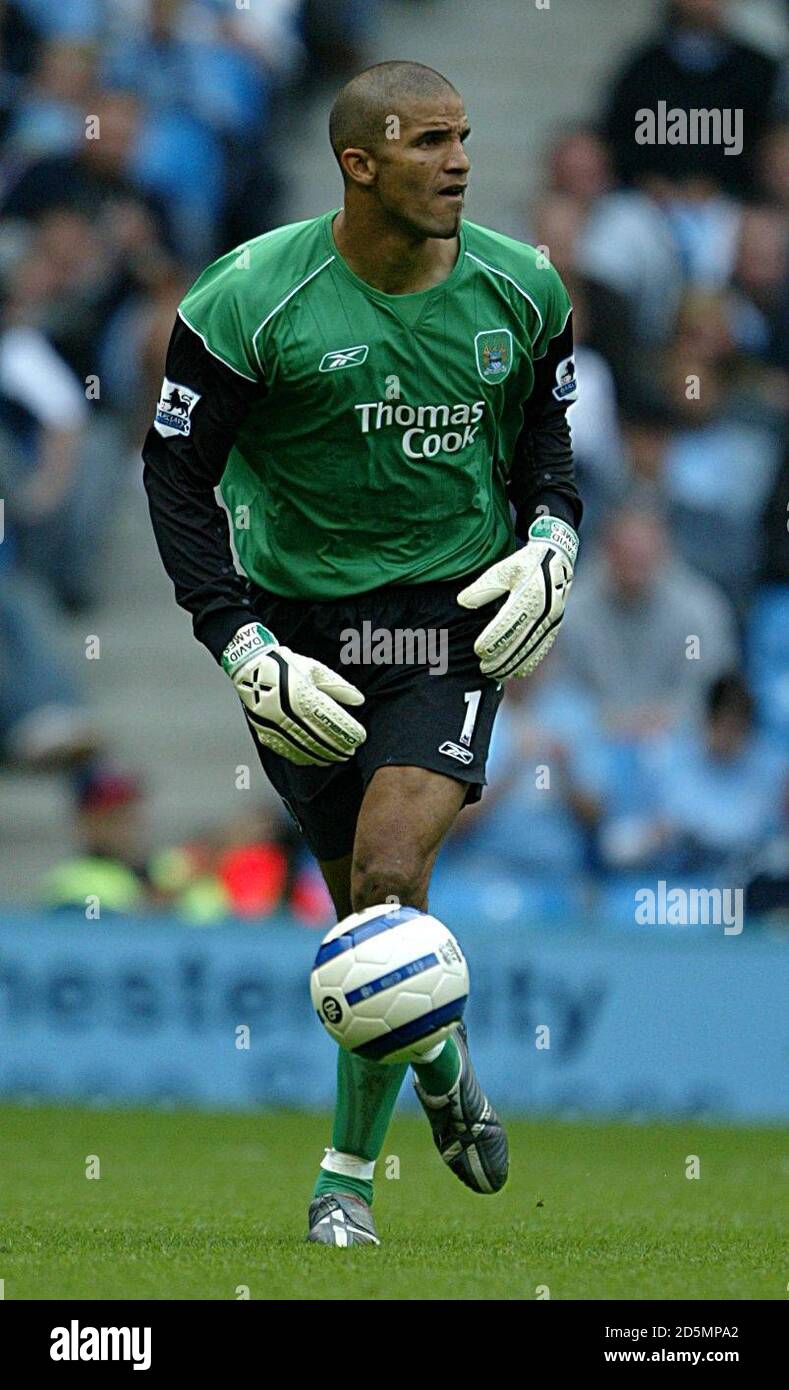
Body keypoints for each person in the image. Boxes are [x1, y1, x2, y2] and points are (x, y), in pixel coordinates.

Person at [143, 61, 582, 1247]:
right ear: (359, 161)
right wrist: (235, 642)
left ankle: (343, 1185)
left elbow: (545, 429)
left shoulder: (523, 286)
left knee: (390, 874)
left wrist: (555, 529)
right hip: (297, 629)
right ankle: (443, 1070)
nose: (461, 162)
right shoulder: (249, 299)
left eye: (466, 136)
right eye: (431, 140)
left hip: (450, 616)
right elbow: (175, 476)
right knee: (363, 918)